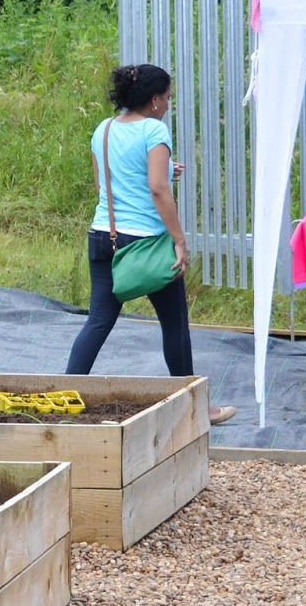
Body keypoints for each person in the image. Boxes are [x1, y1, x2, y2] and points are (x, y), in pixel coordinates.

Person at [64, 63, 236, 426]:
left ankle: (64, 397)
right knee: (175, 325)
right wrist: (179, 240)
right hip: (145, 243)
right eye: (168, 98)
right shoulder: (154, 130)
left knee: (98, 321)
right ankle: (195, 408)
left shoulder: (104, 129)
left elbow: (104, 185)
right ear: (155, 99)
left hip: (104, 236)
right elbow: (158, 190)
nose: (168, 105)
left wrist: (164, 168)